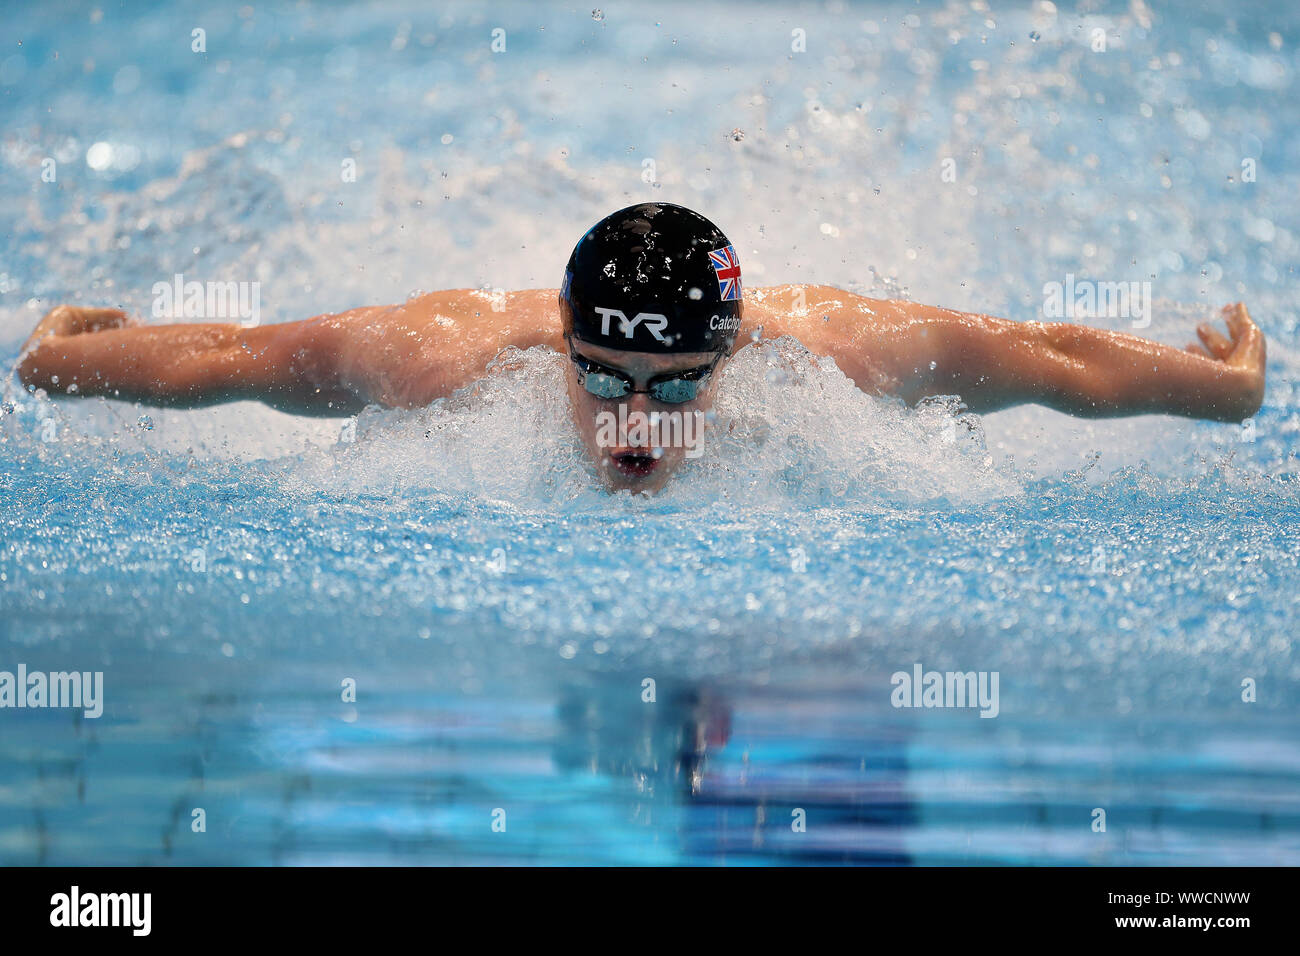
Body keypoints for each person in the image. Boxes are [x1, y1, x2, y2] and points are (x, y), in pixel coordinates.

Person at [14, 202, 1266, 492]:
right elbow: (230, 356)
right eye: (602, 374)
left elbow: (1054, 364)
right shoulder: (438, 359)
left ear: (732, 353)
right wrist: (54, 357)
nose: (631, 418)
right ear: (559, 338)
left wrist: (1227, 391)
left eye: (676, 384)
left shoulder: (840, 357)